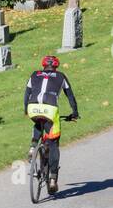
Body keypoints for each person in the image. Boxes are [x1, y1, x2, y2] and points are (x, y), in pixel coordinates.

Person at [24, 54, 79, 195]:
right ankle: (53, 178)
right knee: (53, 144)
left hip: (32, 107)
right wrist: (74, 113)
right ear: (56, 66)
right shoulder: (61, 76)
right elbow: (70, 95)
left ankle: (33, 147)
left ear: (43, 65)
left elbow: (27, 93)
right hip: (50, 110)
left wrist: (26, 110)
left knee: (38, 122)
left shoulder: (34, 74)